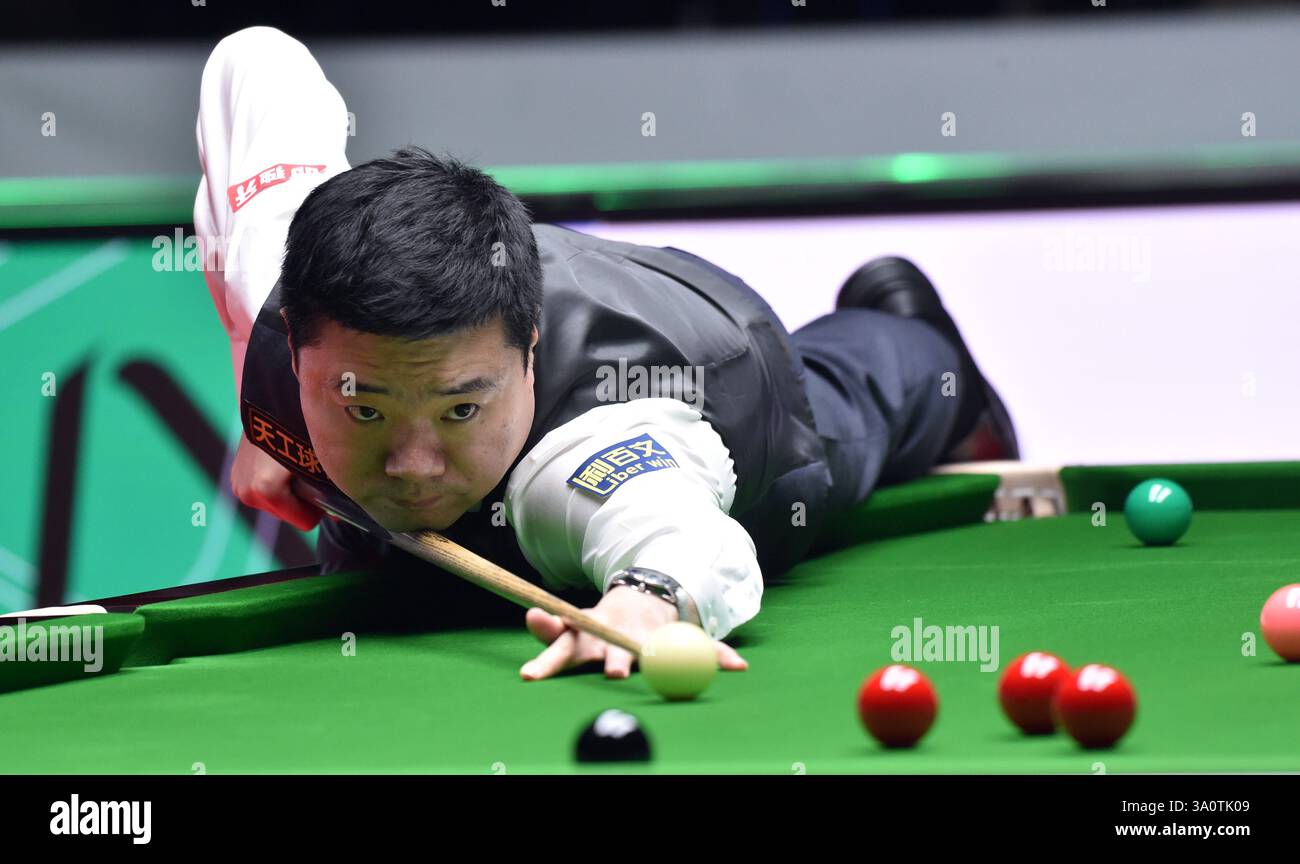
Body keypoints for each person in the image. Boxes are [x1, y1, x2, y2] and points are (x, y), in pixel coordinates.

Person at [195, 27, 1017, 684]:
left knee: (849, 411)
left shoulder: (589, 452)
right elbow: (253, 57)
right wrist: (252, 389)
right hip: (472, 302)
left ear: (528, 357)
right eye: (365, 408)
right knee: (385, 567)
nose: (412, 465)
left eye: (460, 410)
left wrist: (646, 602)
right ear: (298, 339)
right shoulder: (279, 270)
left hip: (717, 362)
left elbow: (681, 536)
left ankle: (916, 337)